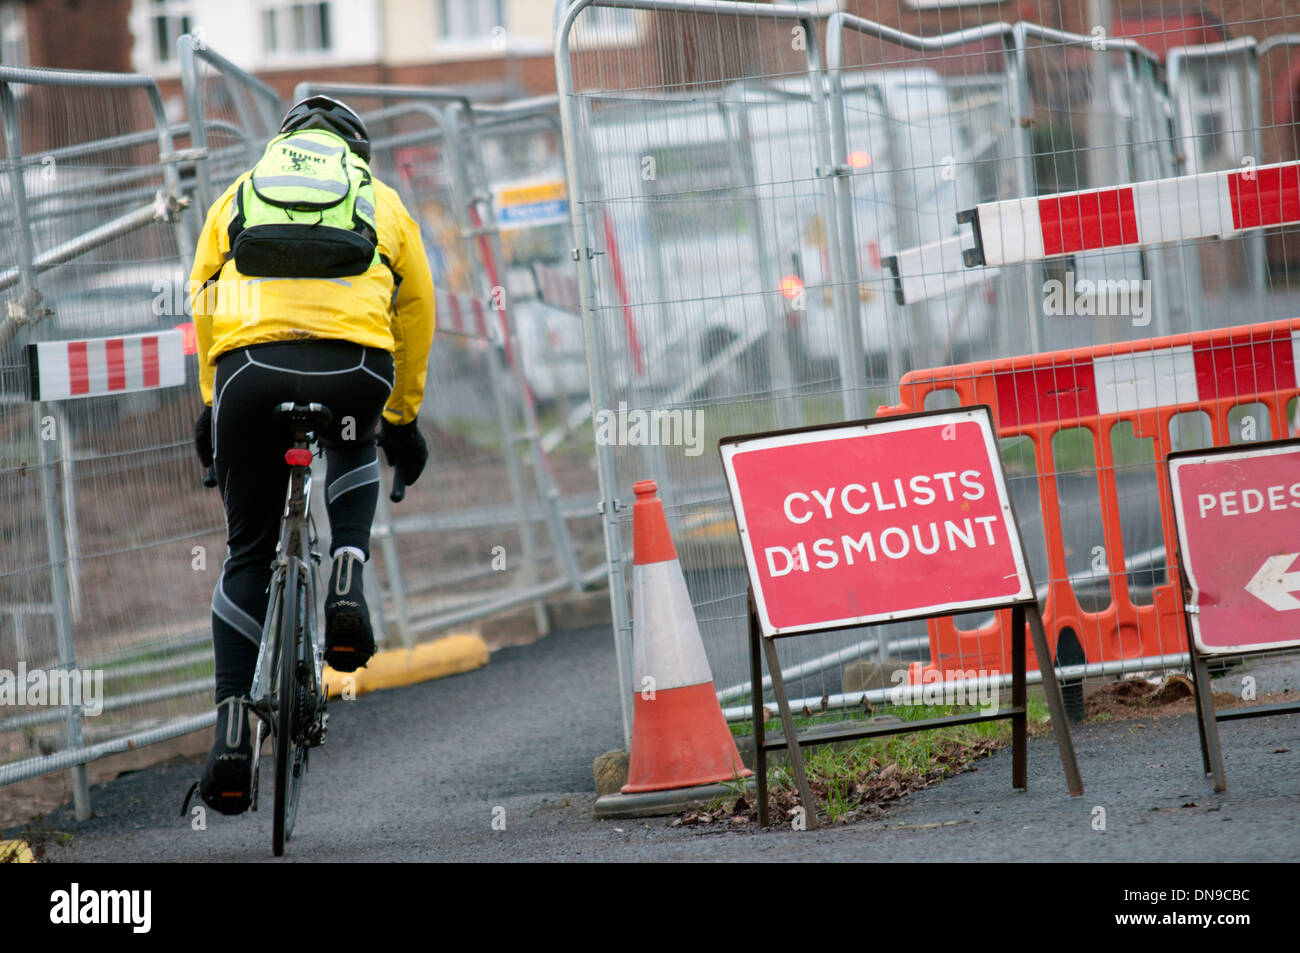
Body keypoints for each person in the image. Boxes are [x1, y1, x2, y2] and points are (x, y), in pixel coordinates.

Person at [187, 95, 435, 815]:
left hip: (248, 374)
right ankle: (347, 577)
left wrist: (212, 401)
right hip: (351, 368)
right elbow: (416, 306)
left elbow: (202, 295)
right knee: (354, 438)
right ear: (354, 151)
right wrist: (401, 418)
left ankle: (233, 730)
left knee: (246, 553)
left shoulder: (238, 193)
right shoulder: (379, 199)